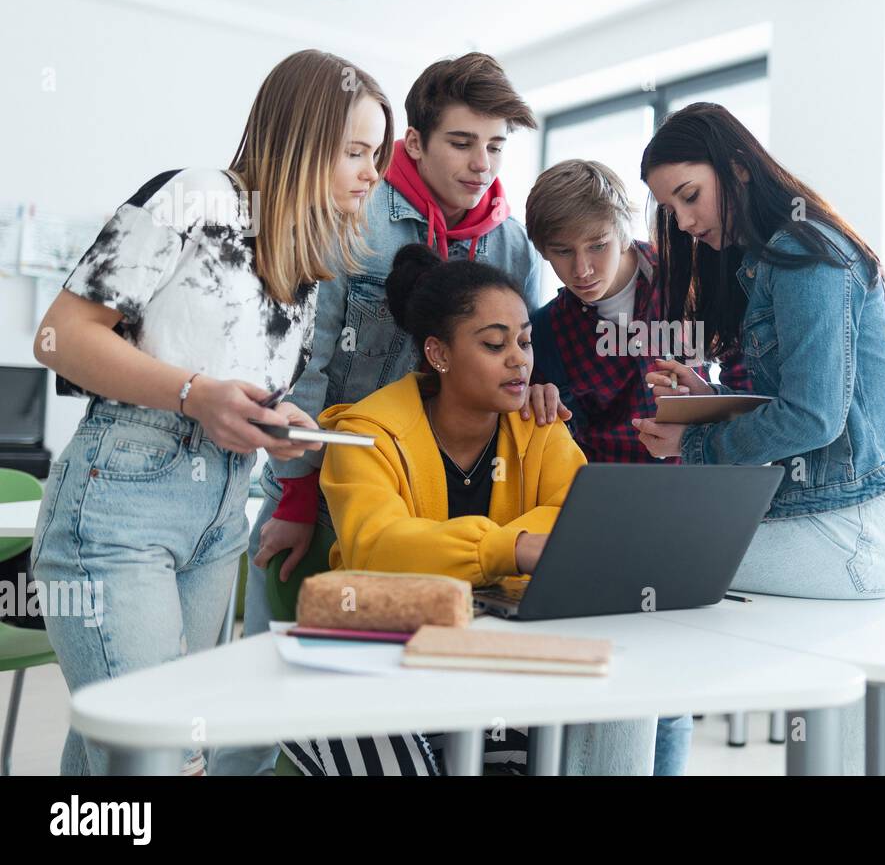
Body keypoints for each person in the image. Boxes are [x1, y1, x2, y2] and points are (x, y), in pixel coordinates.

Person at [29, 49, 394, 775]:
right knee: (164, 752)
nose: (372, 174)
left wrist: (274, 421)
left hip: (220, 514)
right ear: (299, 138)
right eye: (355, 151)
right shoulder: (197, 196)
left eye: (377, 155)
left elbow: (234, 383)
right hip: (121, 503)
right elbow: (60, 337)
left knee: (121, 753)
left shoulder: (300, 265)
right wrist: (198, 395)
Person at [215, 52, 563, 775]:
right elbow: (308, 366)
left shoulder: (511, 244)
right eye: (462, 143)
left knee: (390, 693)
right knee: (268, 690)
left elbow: (523, 355)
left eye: (496, 146)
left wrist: (540, 385)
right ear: (415, 144)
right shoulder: (358, 216)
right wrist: (299, 495)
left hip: (436, 500)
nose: (481, 164)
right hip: (336, 474)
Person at [632, 103, 885, 774]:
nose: (683, 222)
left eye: (690, 196)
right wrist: (707, 407)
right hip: (866, 518)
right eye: (670, 208)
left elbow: (812, 419)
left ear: (738, 168)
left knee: (636, 570)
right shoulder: (775, 258)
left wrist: (691, 448)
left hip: (862, 530)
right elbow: (806, 406)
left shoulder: (804, 253)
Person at [280, 247, 654, 775]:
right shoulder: (363, 435)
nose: (520, 359)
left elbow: (581, 514)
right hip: (378, 655)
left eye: (525, 341)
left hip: (496, 658)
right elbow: (378, 546)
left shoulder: (540, 426)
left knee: (620, 701)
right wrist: (512, 547)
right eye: (495, 344)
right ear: (439, 354)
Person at [524, 158, 746, 774]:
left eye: (597, 246)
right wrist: (540, 404)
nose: (582, 270)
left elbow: (749, 377)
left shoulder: (693, 278)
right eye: (561, 254)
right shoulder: (545, 330)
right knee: (601, 679)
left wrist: (703, 392)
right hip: (605, 511)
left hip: (691, 499)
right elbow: (558, 439)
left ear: (625, 227)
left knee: (669, 693)